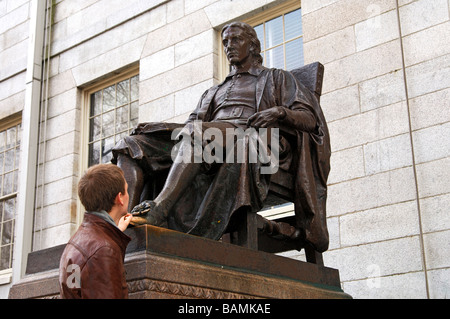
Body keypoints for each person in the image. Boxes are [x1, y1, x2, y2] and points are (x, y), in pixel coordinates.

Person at [112, 22, 331, 252]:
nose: (229, 46)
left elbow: (310, 120)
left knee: (198, 132)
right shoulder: (213, 92)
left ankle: (159, 209)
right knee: (130, 144)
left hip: (258, 145)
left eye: (236, 40)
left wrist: (279, 112)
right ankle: (123, 224)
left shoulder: (277, 78)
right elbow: (189, 127)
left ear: (253, 45)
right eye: (225, 42)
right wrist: (159, 129)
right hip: (209, 142)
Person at [59, 164, 132, 299]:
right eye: (127, 191)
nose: (129, 195)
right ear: (120, 198)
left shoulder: (76, 241)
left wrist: (115, 233)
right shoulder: (104, 250)